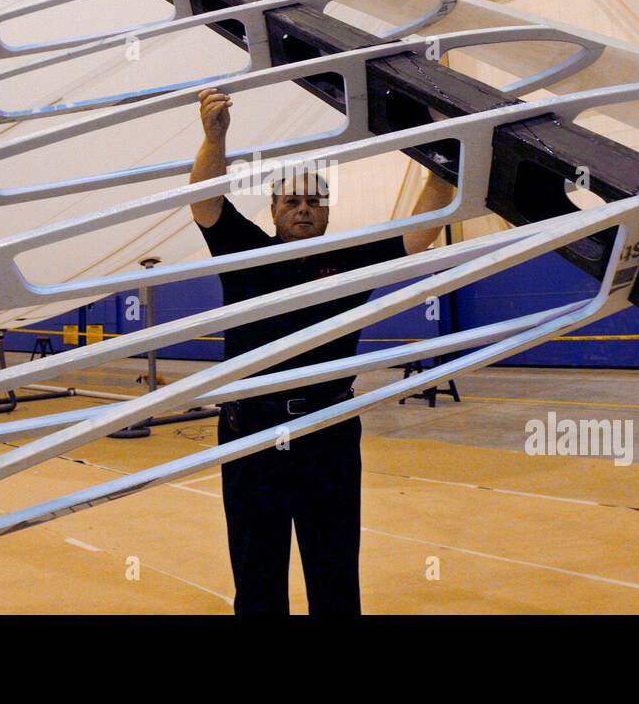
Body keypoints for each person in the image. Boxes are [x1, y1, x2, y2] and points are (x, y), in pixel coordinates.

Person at [189, 87, 455, 614]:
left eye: (314, 202)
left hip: (326, 436)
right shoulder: (245, 252)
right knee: (257, 579)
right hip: (250, 435)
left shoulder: (351, 260)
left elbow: (420, 231)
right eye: (292, 201)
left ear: (328, 211)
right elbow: (205, 200)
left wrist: (442, 158)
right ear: (273, 209)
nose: (304, 210)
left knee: (334, 578)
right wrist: (214, 136)